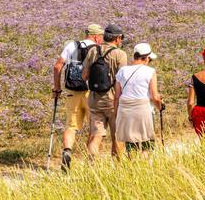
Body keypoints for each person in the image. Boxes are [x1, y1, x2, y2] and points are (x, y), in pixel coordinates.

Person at [51, 23, 104, 171]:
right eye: (100, 36)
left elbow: (57, 66)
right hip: (91, 93)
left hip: (72, 92)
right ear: (95, 36)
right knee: (94, 128)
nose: (101, 39)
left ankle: (67, 152)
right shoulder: (98, 49)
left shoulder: (71, 45)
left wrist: (57, 87)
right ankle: (91, 161)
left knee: (71, 126)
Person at [82, 24, 128, 158]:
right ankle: (118, 168)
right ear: (118, 38)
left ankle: (91, 165)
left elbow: (84, 75)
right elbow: (122, 80)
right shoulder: (120, 54)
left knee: (96, 136)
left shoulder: (93, 51)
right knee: (117, 137)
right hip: (114, 101)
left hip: (95, 100)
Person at [113, 43, 164, 155]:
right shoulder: (150, 71)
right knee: (147, 142)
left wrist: (116, 113)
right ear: (146, 58)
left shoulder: (122, 71)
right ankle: (145, 167)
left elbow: (117, 96)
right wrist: (160, 106)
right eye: (150, 59)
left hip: (125, 109)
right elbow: (155, 96)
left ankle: (133, 167)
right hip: (143, 109)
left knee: (131, 143)